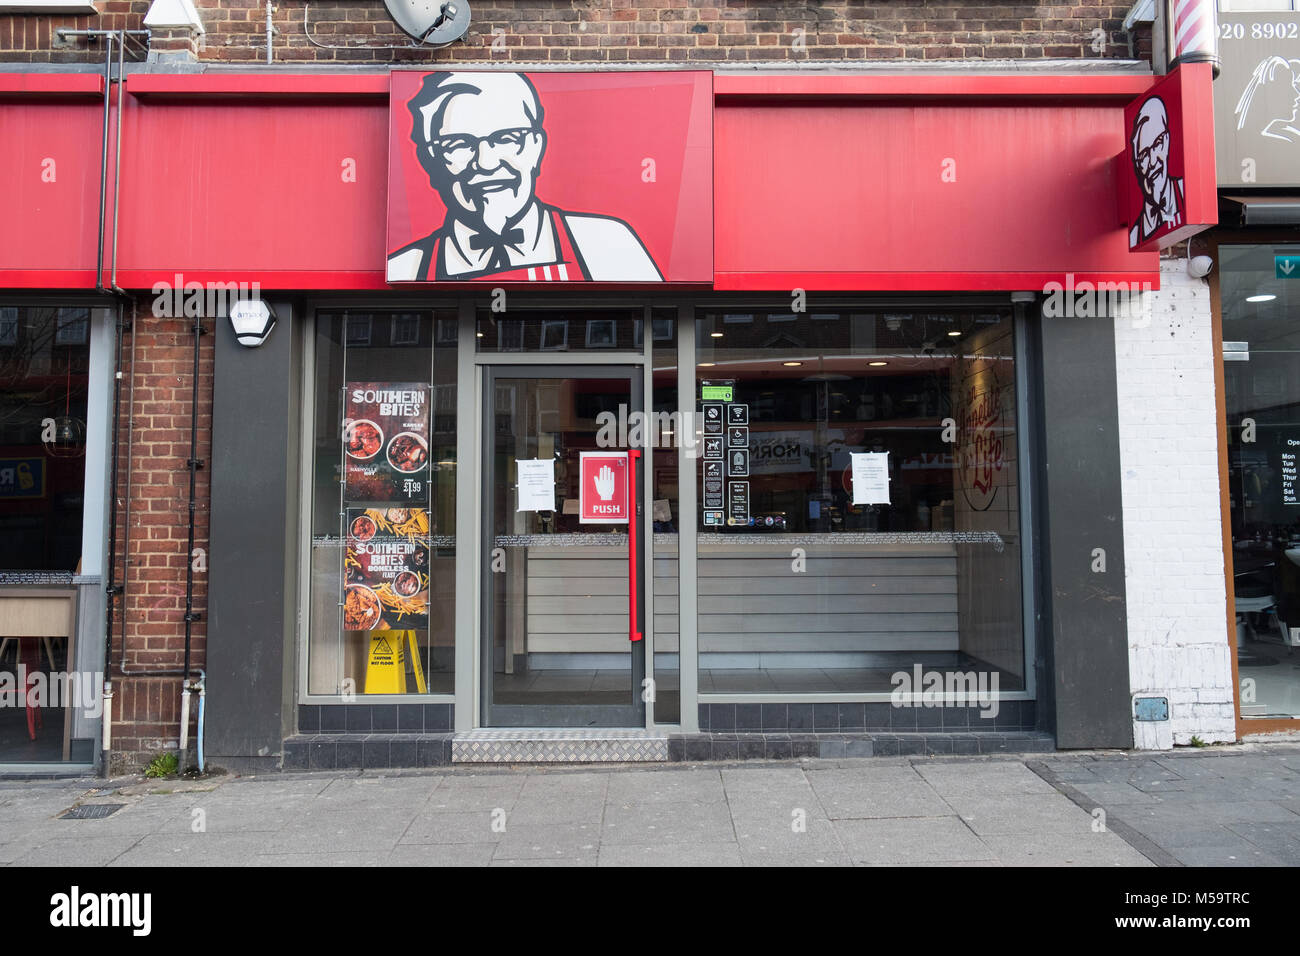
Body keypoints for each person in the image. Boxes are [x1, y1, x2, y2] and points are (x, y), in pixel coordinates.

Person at [387, 72, 663, 282]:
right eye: (459, 144)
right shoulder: (407, 267)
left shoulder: (606, 243)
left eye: (507, 138)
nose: (486, 162)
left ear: (536, 147)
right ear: (430, 160)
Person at [1128, 96, 1184, 248]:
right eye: (1143, 154)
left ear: (1167, 141)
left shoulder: (1187, 193)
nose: (1153, 161)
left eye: (1157, 143)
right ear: (1136, 164)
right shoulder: (1134, 235)